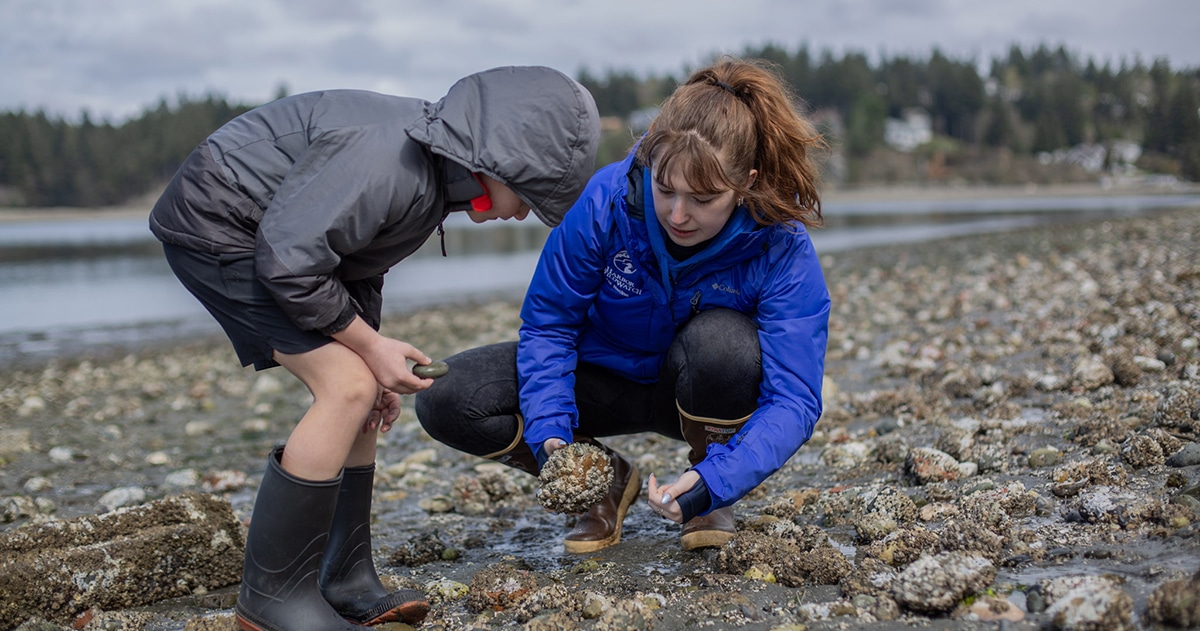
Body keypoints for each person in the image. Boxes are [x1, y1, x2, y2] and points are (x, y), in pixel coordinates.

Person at [148, 66, 600, 630]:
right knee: (346, 386)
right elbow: (289, 261)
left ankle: (345, 576)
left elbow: (354, 264)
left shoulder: (434, 179)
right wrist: (367, 351)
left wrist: (372, 349)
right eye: (532, 193)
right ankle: (273, 598)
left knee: (364, 384)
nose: (527, 211)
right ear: (500, 159)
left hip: (276, 242)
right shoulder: (392, 161)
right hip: (221, 222)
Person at [415, 56, 830, 554]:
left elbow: (795, 399)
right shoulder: (606, 199)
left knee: (725, 344)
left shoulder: (779, 243)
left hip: (698, 386)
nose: (678, 214)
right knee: (445, 397)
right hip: (600, 378)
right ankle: (603, 483)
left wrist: (715, 481)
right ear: (650, 163)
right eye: (665, 189)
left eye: (703, 198)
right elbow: (550, 324)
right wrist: (550, 433)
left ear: (745, 185)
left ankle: (709, 489)